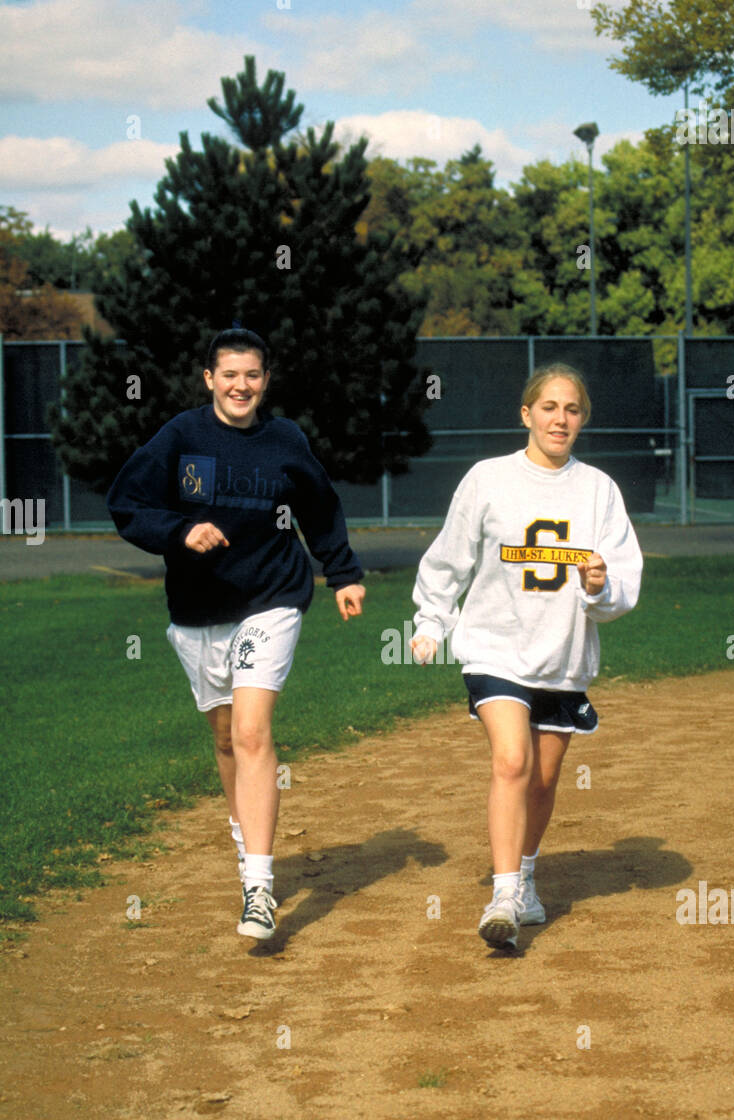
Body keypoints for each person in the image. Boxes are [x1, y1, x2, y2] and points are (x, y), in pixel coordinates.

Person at [106, 327, 365, 942]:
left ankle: (258, 887)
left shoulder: (285, 440)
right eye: (229, 375)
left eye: (252, 375)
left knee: (251, 730)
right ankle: (244, 827)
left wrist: (343, 573)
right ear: (209, 380)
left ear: (265, 380)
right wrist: (179, 532)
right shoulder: (182, 436)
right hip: (199, 612)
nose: (241, 385)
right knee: (226, 738)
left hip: (272, 600)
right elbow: (128, 503)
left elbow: (320, 507)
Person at [410, 363, 642, 950]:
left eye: (571, 409)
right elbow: (449, 559)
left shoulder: (599, 492)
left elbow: (623, 585)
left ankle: (528, 876)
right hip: (494, 648)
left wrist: (598, 587)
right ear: (526, 414)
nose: (559, 419)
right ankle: (504, 895)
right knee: (511, 761)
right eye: (548, 407)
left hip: (562, 656)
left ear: (582, 420)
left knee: (541, 779)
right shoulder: (488, 479)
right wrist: (430, 622)